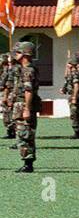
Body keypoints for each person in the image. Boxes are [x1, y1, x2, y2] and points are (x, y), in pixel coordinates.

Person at [12, 41, 40, 173]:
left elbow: (29, 91)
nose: (15, 54)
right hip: (21, 104)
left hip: (24, 105)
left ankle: (28, 164)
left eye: (18, 52)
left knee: (25, 134)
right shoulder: (23, 69)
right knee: (23, 134)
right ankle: (27, 162)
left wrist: (27, 108)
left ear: (25, 54)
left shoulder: (28, 70)